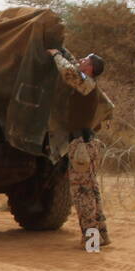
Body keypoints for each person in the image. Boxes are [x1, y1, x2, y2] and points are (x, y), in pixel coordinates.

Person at [48, 48, 110, 249]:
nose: (80, 60)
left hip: (81, 146)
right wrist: (63, 51)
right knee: (92, 192)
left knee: (83, 195)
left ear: (90, 68)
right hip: (88, 143)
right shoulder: (89, 83)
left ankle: (92, 242)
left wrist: (56, 55)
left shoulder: (85, 83)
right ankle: (101, 236)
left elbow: (69, 71)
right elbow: (73, 66)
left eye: (84, 60)